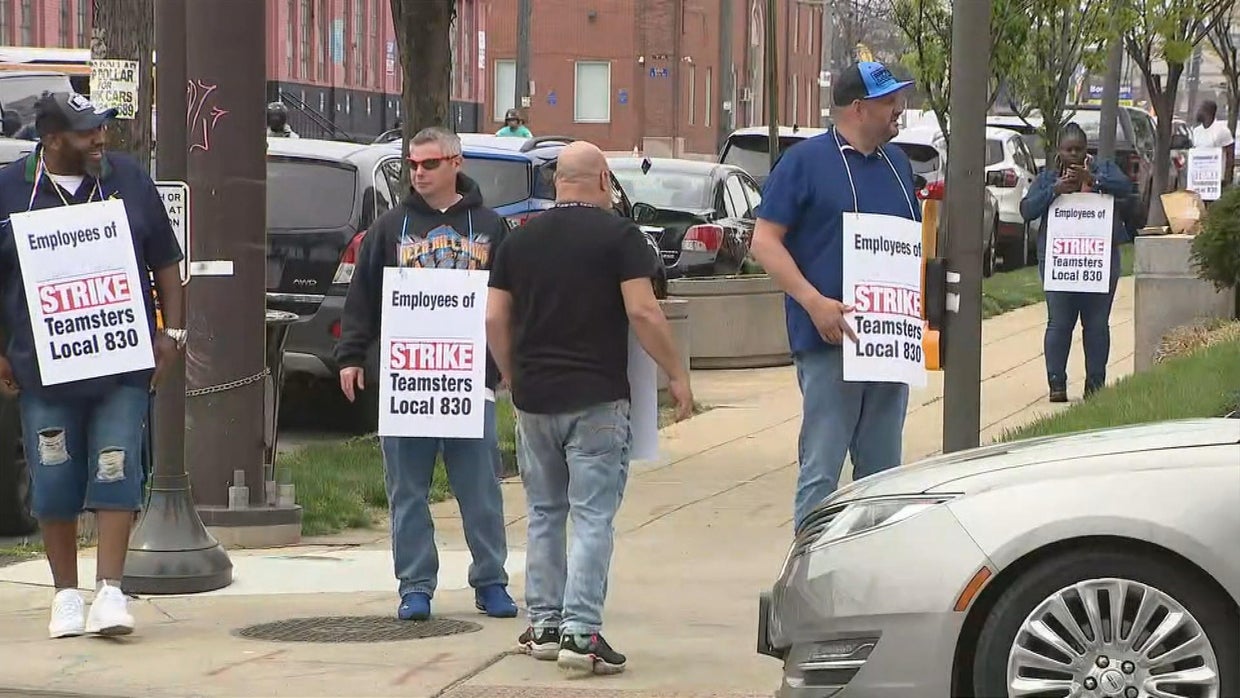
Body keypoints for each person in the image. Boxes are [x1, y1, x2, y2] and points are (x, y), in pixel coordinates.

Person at [485, 140, 693, 675]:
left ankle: (546, 625)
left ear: (558, 183)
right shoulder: (621, 238)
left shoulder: (518, 242)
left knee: (544, 513)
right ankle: (582, 631)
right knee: (593, 516)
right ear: (604, 181)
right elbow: (644, 312)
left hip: (534, 400)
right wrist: (676, 374)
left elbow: (493, 319)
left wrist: (511, 372)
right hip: (596, 398)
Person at [0, 92, 185, 638]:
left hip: (120, 365)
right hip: (42, 368)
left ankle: (110, 590)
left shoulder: (128, 180)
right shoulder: (11, 188)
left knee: (116, 467)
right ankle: (65, 596)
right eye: (87, 132)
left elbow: (167, 261)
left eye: (102, 128)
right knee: (53, 477)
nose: (101, 139)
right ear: (52, 139)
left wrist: (171, 334)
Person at [334, 126, 517, 622]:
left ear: (455, 162)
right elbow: (363, 298)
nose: (419, 172)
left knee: (480, 489)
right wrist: (351, 356)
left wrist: (504, 366)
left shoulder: (491, 228)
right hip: (407, 382)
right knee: (407, 491)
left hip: (469, 383)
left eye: (430, 164)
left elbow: (510, 301)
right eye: (413, 165)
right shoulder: (390, 228)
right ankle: (415, 585)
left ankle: (491, 581)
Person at [749, 61, 921, 530]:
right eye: (889, 101)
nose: (898, 110)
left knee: (884, 475)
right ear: (858, 108)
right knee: (822, 471)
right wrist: (813, 301)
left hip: (887, 344)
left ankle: (876, 575)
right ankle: (810, 577)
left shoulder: (898, 164)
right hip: (830, 343)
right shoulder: (805, 162)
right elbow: (764, 241)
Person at [1020, 123, 1134, 403]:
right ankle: (1056, 384)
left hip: (1099, 262)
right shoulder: (1048, 179)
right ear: (1059, 151)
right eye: (1068, 149)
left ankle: (1095, 386)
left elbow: (1126, 188)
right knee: (1059, 324)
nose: (1073, 155)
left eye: (1079, 149)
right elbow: (1027, 210)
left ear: (1087, 150)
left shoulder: (1103, 170)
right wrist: (1056, 190)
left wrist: (1092, 179)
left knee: (1096, 325)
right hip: (1061, 263)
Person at [1191, 100, 1234, 188]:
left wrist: (1227, 177)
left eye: (1200, 109)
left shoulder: (1222, 130)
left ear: (1208, 111)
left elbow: (1230, 155)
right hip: (1199, 179)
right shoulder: (1196, 131)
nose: (1197, 112)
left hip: (1217, 179)